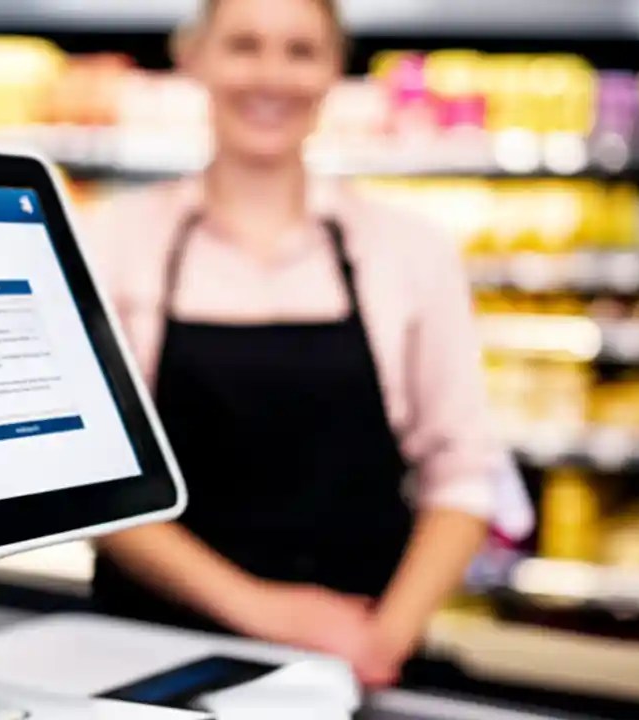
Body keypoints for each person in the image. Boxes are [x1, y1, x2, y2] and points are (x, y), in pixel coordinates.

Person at [85, 0, 522, 688]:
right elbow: (100, 484)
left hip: (356, 659)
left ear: (333, 71)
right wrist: (264, 612)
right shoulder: (111, 244)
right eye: (244, 45)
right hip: (148, 659)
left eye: (300, 51)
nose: (271, 76)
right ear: (193, 58)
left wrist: (384, 641)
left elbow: (464, 476)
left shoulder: (410, 251)